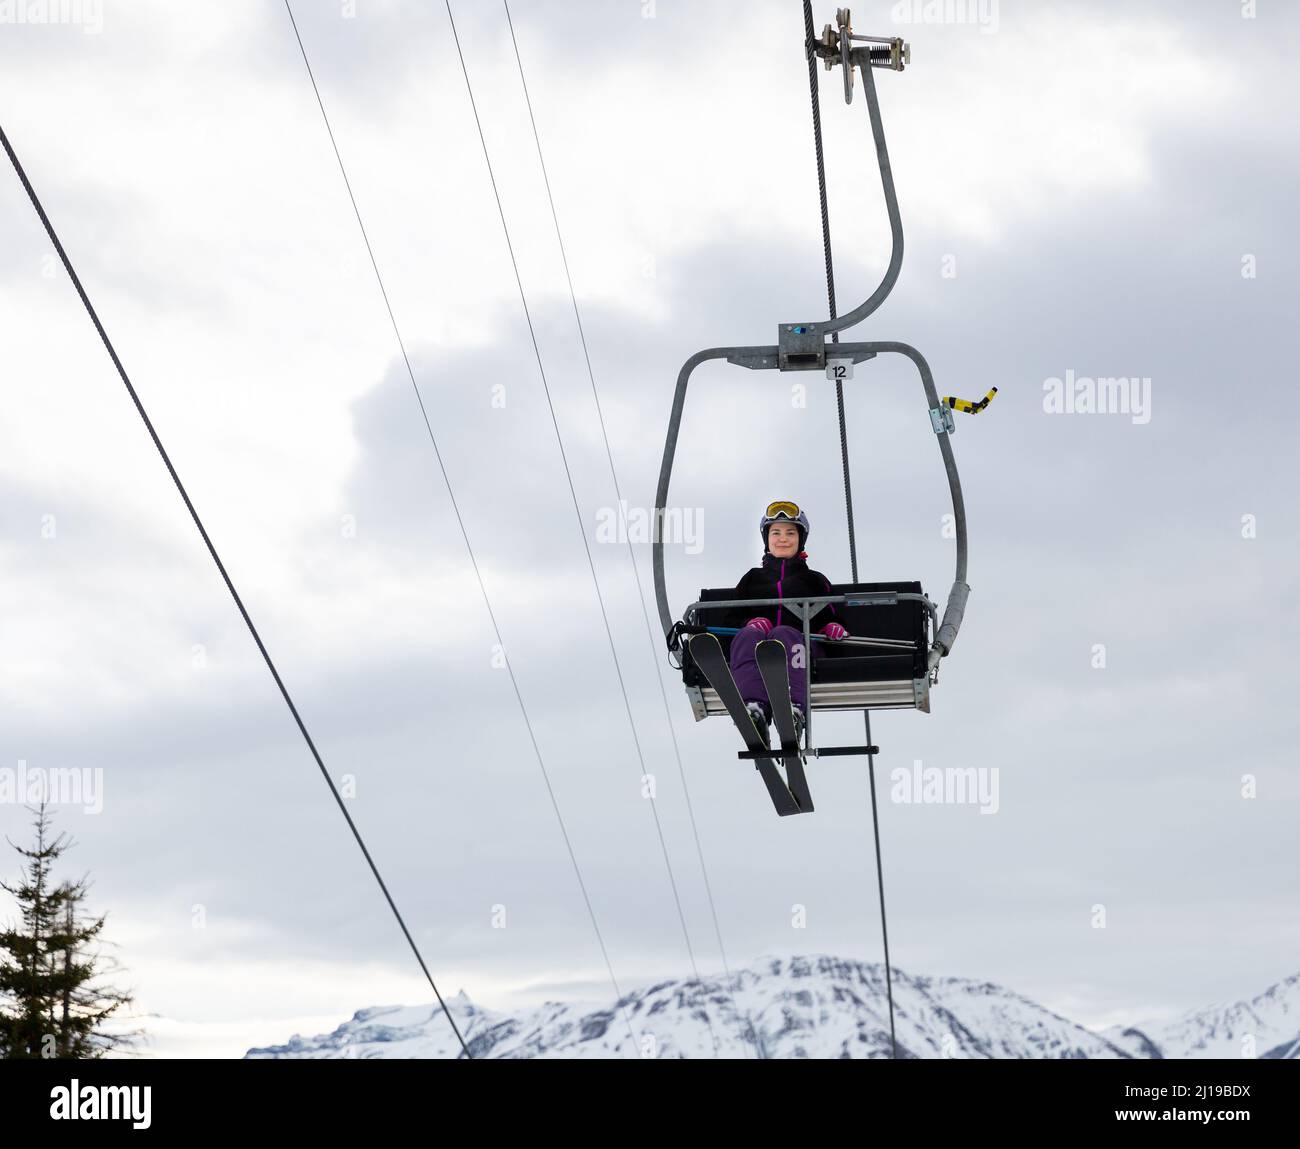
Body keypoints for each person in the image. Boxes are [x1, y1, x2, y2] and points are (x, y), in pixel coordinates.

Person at [724, 501, 850, 746]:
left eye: (790, 533)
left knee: (784, 633)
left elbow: (831, 615)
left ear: (800, 540)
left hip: (801, 649)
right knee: (747, 636)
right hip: (760, 654)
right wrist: (748, 622)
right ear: (767, 539)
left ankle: (793, 711)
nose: (783, 539)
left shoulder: (814, 580)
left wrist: (831, 627)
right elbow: (730, 620)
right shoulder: (751, 580)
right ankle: (755, 709)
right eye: (776, 533)